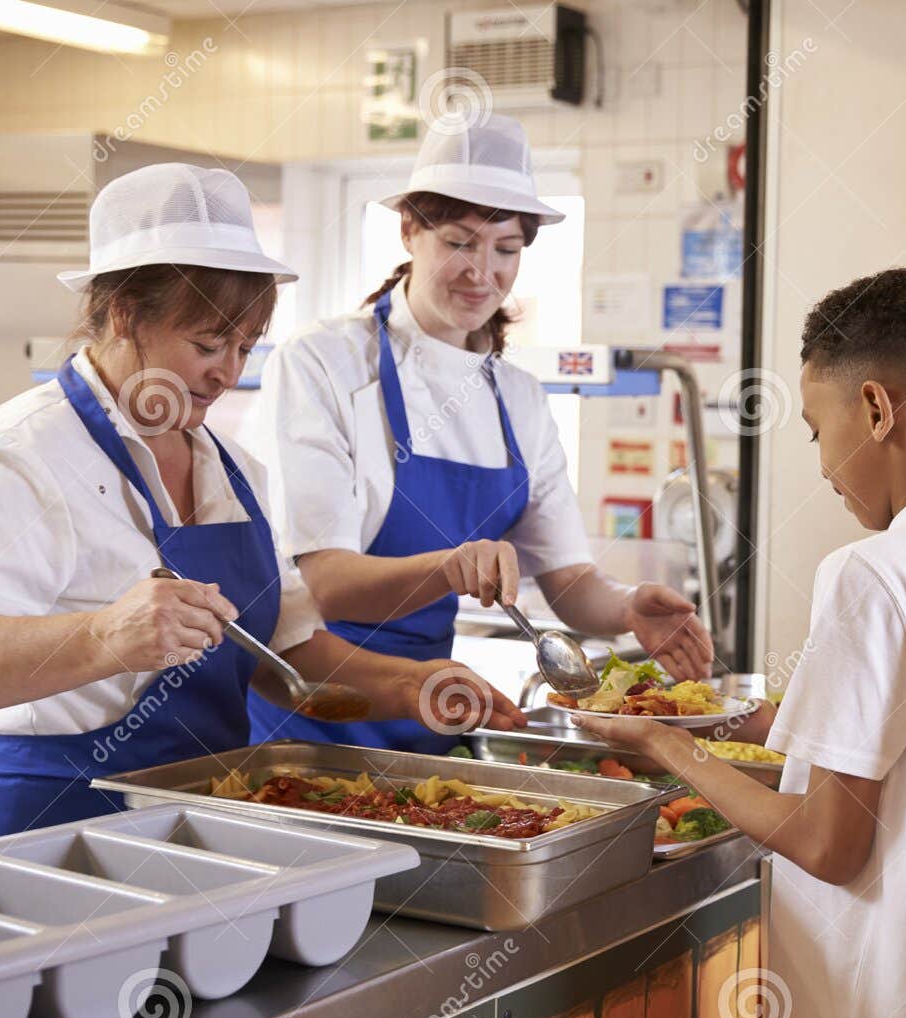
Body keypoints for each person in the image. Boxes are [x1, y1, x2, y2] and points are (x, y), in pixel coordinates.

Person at [0, 163, 521, 841]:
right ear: (123, 314)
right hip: (48, 827)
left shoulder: (232, 472)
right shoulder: (23, 456)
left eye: (244, 346)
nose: (228, 372)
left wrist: (415, 686)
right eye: (206, 344)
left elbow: (286, 656)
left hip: (199, 823)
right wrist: (105, 636)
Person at [578, 267, 906, 1018]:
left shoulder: (871, 572)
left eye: (815, 430)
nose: (823, 466)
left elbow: (831, 844)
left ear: (874, 408)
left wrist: (666, 746)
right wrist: (739, 717)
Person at [246, 114, 711, 754]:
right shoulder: (322, 362)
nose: (483, 272)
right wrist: (451, 567)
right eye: (460, 242)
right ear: (409, 229)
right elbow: (327, 584)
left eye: (506, 249)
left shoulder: (517, 397)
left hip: (436, 712)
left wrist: (628, 606)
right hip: (318, 713)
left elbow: (572, 584)